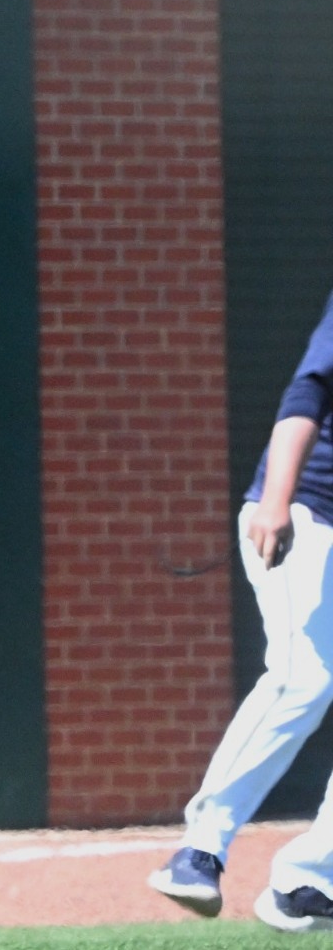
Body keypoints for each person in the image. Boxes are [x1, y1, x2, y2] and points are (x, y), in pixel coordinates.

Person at [150, 286, 333, 933]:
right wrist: (277, 500)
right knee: (303, 677)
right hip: (303, 513)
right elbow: (308, 392)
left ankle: (308, 882)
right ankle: (199, 849)